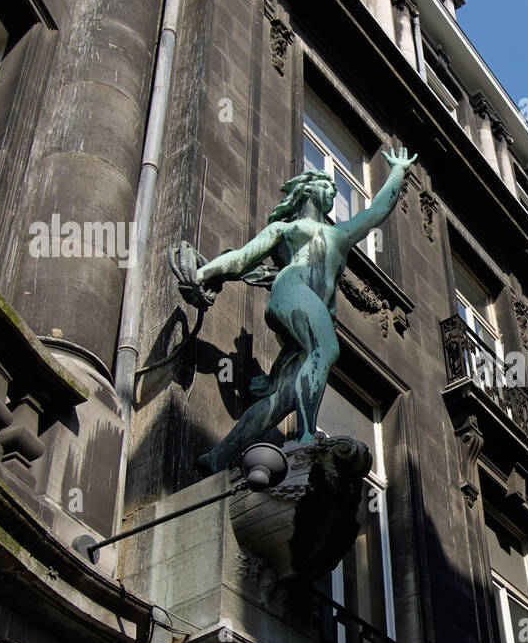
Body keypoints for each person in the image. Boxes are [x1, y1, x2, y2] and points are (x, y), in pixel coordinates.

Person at [174, 147, 417, 474]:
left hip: (309, 316)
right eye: (327, 187)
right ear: (310, 189)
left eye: (334, 190)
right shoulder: (285, 231)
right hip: (291, 292)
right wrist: (204, 274)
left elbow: (378, 210)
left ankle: (219, 455)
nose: (333, 192)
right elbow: (242, 258)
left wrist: (398, 172)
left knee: (283, 398)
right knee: (328, 349)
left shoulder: (341, 234)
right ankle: (305, 437)